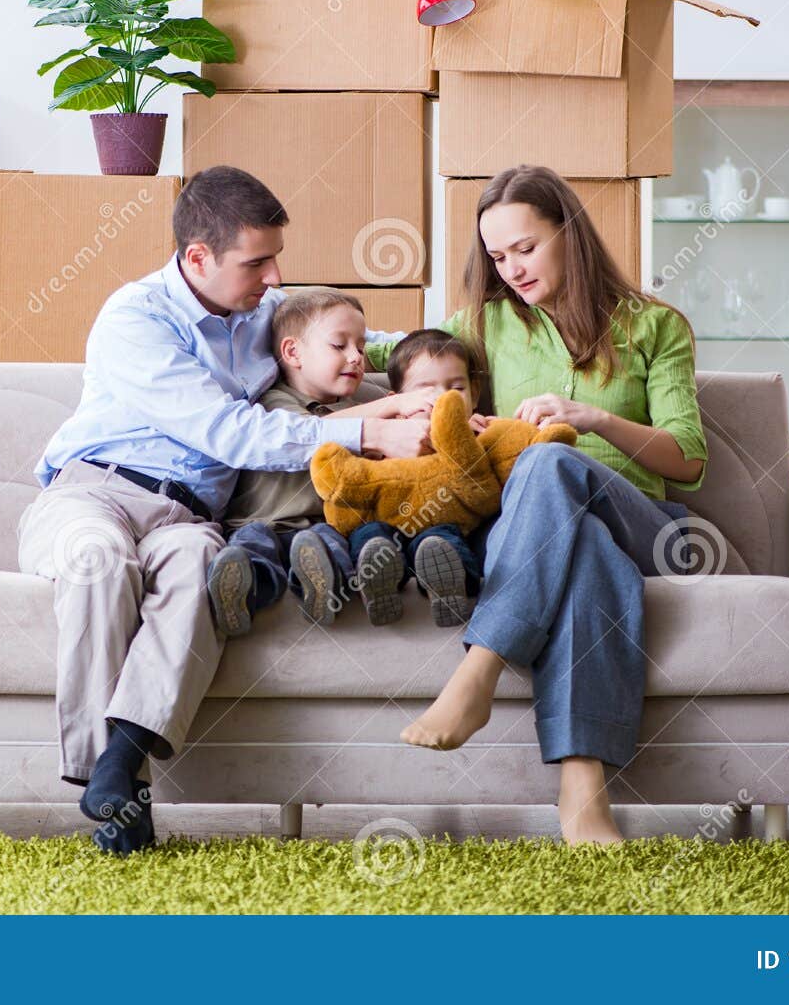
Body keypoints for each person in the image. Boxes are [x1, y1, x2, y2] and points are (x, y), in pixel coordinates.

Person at [20, 166, 429, 856]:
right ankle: (114, 782)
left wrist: (440, 360)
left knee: (202, 574)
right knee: (100, 561)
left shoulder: (266, 312)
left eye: (276, 259)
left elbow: (355, 339)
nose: (276, 278)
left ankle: (119, 767)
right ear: (198, 258)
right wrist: (369, 430)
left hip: (189, 520)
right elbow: (228, 433)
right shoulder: (136, 317)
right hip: (95, 491)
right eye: (258, 262)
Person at [366, 164, 709, 847]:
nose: (512, 268)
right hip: (549, 532)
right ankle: (583, 798)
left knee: (550, 456)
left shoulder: (654, 325)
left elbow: (689, 460)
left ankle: (481, 668)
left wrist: (593, 419)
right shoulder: (481, 326)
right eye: (497, 256)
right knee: (583, 554)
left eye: (525, 248)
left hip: (645, 520)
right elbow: (379, 352)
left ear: (570, 233)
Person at [210, 287, 437, 635]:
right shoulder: (273, 403)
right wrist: (390, 407)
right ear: (293, 352)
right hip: (261, 523)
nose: (356, 357)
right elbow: (310, 433)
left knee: (325, 545)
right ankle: (240, 591)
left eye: (360, 347)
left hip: (320, 526)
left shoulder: (355, 404)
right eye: (339, 345)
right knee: (251, 546)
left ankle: (319, 591)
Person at [323, 329, 492, 628]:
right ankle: (381, 583)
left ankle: (450, 586)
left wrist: (474, 438)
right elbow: (324, 432)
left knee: (443, 540)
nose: (442, 400)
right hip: (388, 526)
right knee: (370, 535)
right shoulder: (386, 435)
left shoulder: (478, 433)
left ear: (475, 394)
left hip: (444, 524)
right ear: (397, 402)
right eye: (426, 392)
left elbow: (491, 482)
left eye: (457, 389)